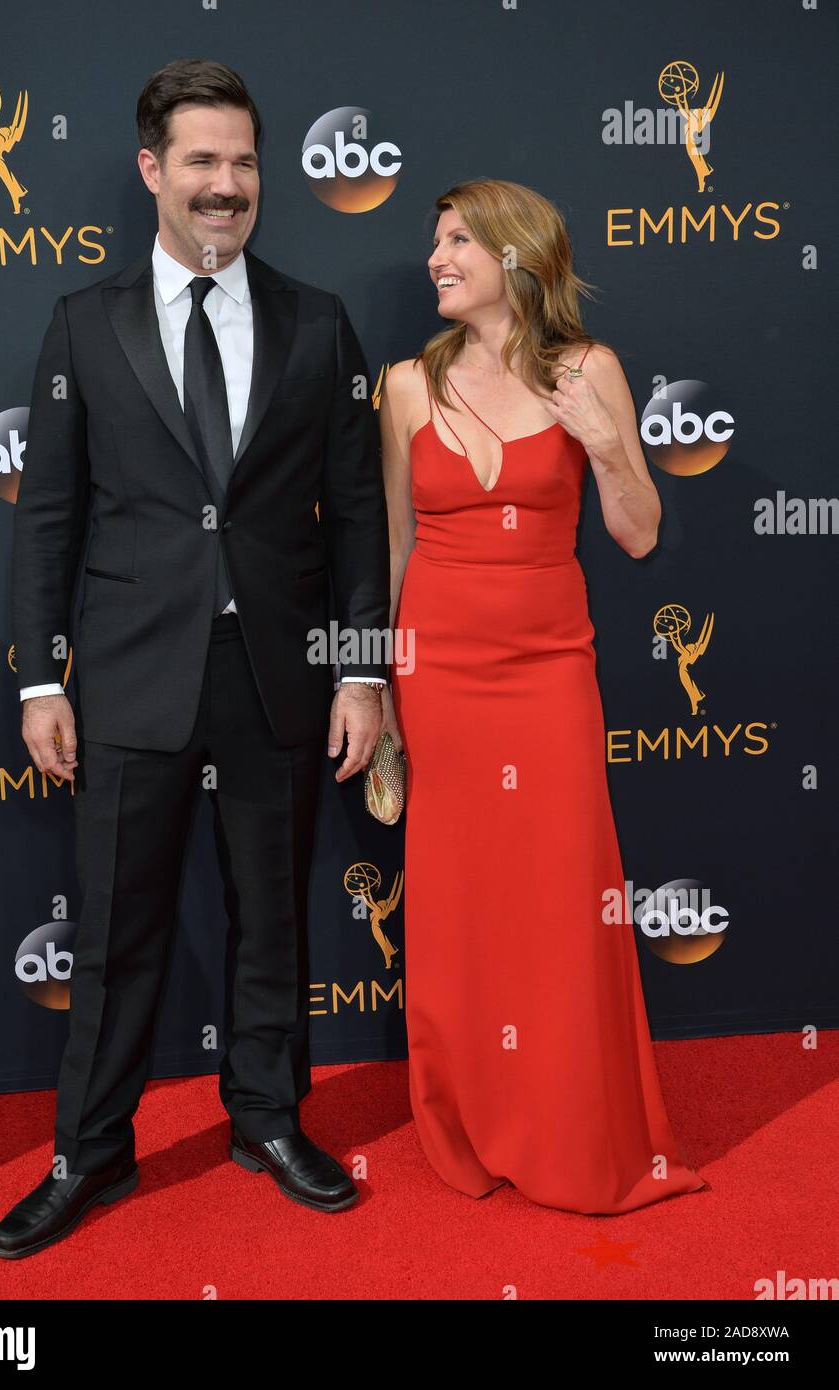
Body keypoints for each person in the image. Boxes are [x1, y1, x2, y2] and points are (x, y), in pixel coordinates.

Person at [0, 59, 389, 1259]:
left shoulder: (318, 322)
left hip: (277, 674)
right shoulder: (83, 322)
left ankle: (268, 1120)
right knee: (114, 930)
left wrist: (363, 670)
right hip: (124, 677)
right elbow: (48, 514)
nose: (228, 186)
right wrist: (39, 677)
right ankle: (90, 1152)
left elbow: (360, 514)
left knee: (274, 918)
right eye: (203, 162)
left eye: (246, 162)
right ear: (154, 171)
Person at [378, 179, 707, 1214]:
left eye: (458, 240)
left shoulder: (589, 368)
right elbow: (394, 548)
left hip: (547, 670)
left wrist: (605, 440)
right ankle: (471, 1122)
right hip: (439, 673)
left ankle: (568, 1128)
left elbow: (639, 532)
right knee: (457, 906)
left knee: (563, 899)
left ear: (518, 256)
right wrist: (386, 698)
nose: (436, 256)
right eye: (434, 240)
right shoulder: (402, 385)